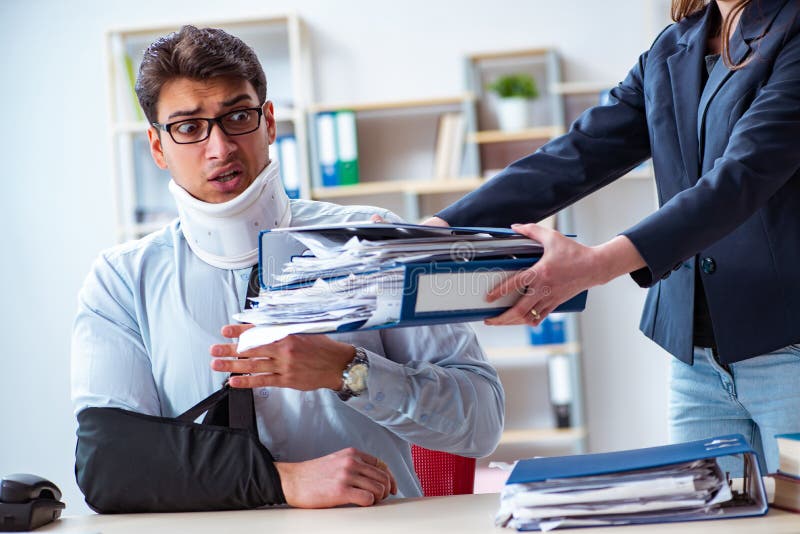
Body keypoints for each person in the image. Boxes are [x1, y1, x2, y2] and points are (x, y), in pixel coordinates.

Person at [70, 25, 504, 512]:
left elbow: (483, 422)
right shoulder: (121, 282)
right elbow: (109, 462)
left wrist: (349, 371)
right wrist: (280, 482)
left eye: (237, 116)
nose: (220, 149)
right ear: (157, 147)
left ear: (269, 122)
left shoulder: (378, 239)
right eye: (189, 128)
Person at [426, 0, 800, 475]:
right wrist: (436, 230)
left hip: (789, 351)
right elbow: (578, 154)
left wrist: (597, 263)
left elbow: (742, 177)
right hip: (697, 362)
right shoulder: (673, 46)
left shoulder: (793, 33)